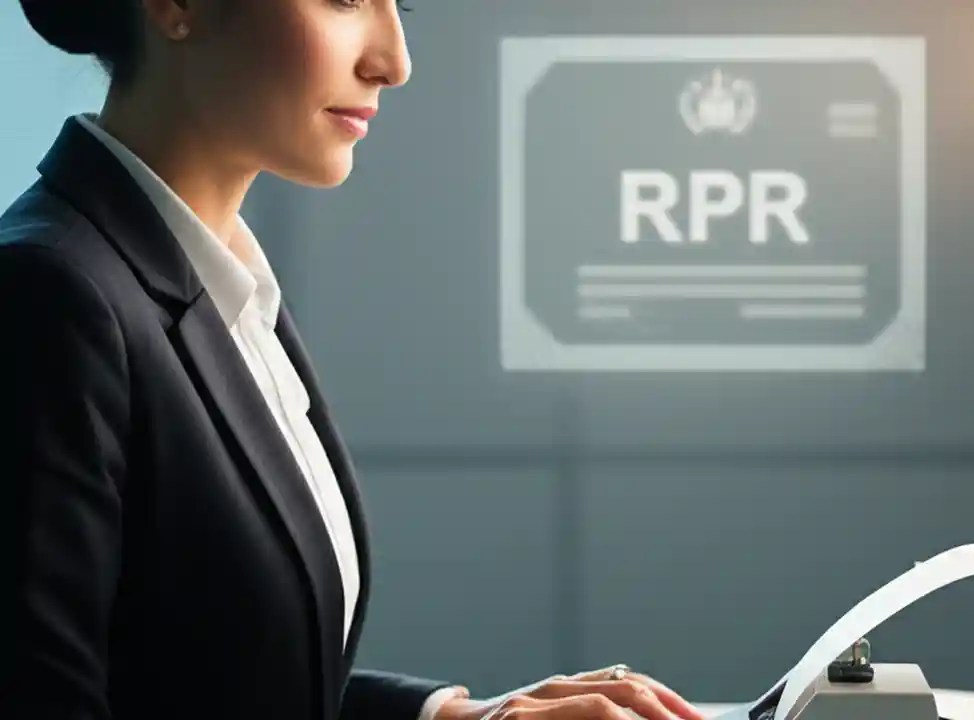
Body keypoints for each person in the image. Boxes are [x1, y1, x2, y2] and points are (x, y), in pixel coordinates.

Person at [0, 2, 709, 720]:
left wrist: (455, 717)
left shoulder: (220, 284)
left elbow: (220, 676)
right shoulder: (48, 295)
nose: (394, 62)